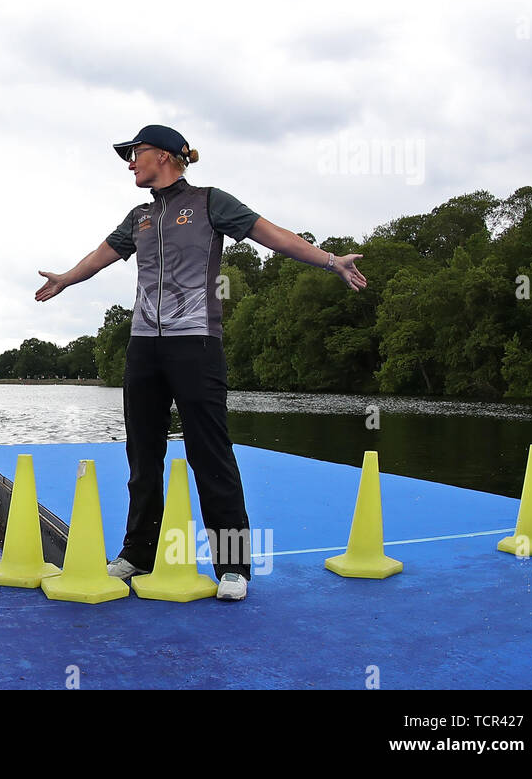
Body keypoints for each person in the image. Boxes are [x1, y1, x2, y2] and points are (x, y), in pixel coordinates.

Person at [35, 125, 367, 602]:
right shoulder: (139, 216)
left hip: (197, 343)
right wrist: (67, 278)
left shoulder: (211, 202)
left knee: (209, 453)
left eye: (136, 153)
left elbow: (272, 235)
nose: (130, 162)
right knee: (141, 454)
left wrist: (329, 260)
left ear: (166, 156)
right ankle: (137, 554)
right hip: (143, 345)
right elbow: (101, 256)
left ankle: (233, 567)